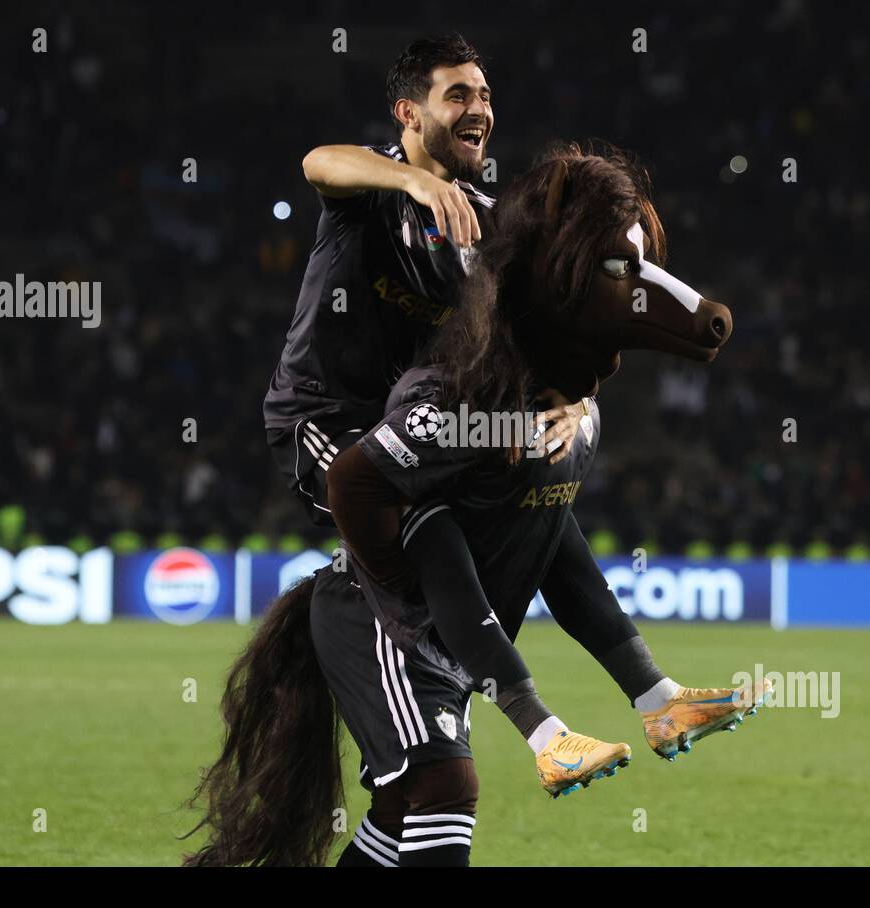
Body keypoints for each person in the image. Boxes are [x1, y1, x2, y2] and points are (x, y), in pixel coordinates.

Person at [261, 33, 628, 789]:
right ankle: (542, 732)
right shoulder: (368, 194)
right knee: (419, 516)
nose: (480, 109)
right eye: (458, 94)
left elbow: (550, 330)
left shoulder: (491, 222)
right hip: (324, 424)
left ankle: (651, 693)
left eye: (486, 95)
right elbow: (318, 162)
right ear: (408, 112)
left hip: (425, 427)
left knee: (542, 500)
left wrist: (576, 398)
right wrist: (412, 183)